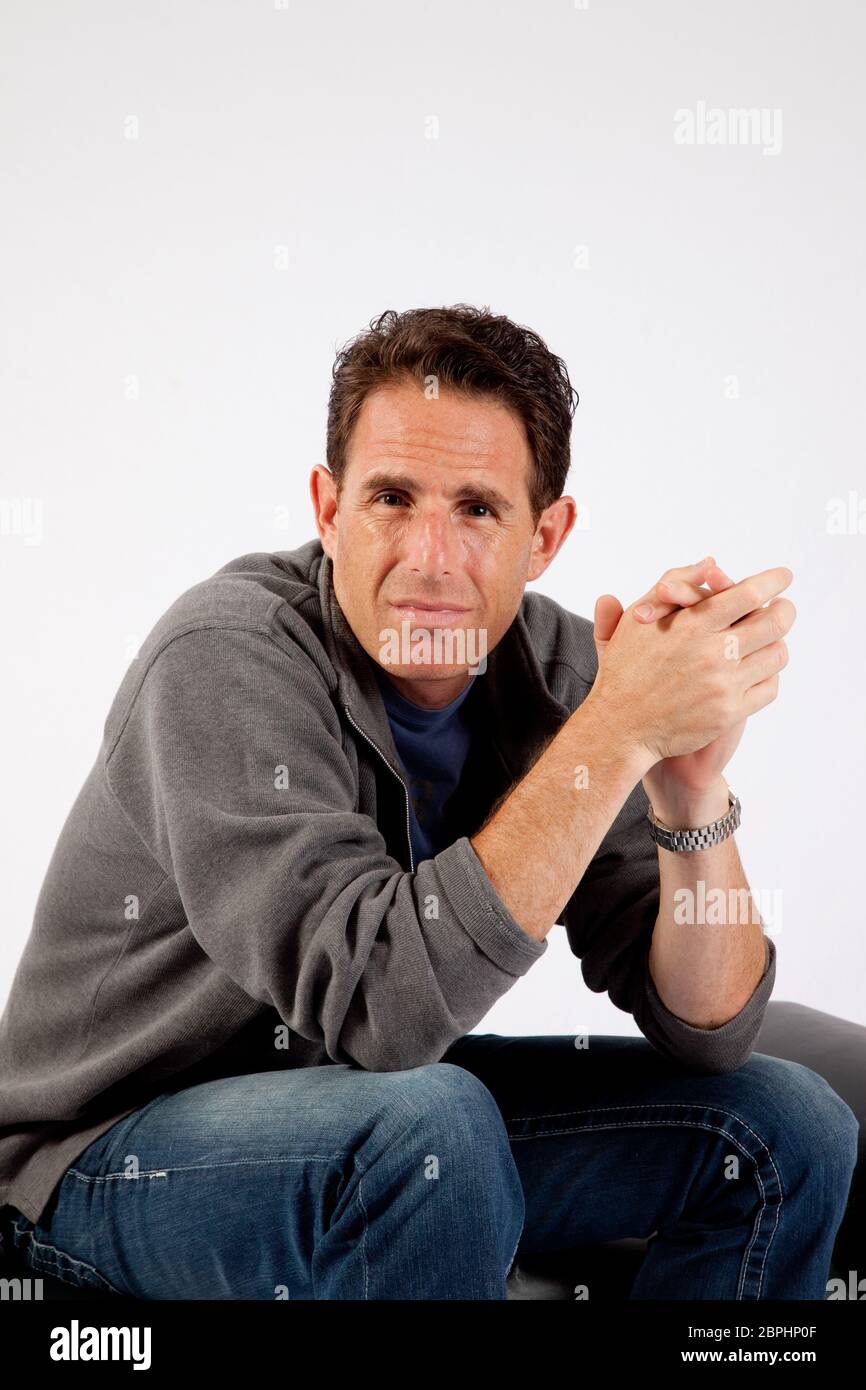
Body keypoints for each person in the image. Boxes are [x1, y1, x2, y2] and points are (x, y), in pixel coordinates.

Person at [0, 305, 857, 1299]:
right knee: (431, 1130)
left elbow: (706, 1026)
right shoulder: (223, 658)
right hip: (106, 1153)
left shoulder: (563, 673)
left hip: (358, 1115)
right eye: (392, 499)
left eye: (478, 510)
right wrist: (613, 733)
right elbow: (380, 1009)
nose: (429, 559)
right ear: (327, 509)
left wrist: (686, 788)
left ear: (546, 534)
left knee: (785, 1126)